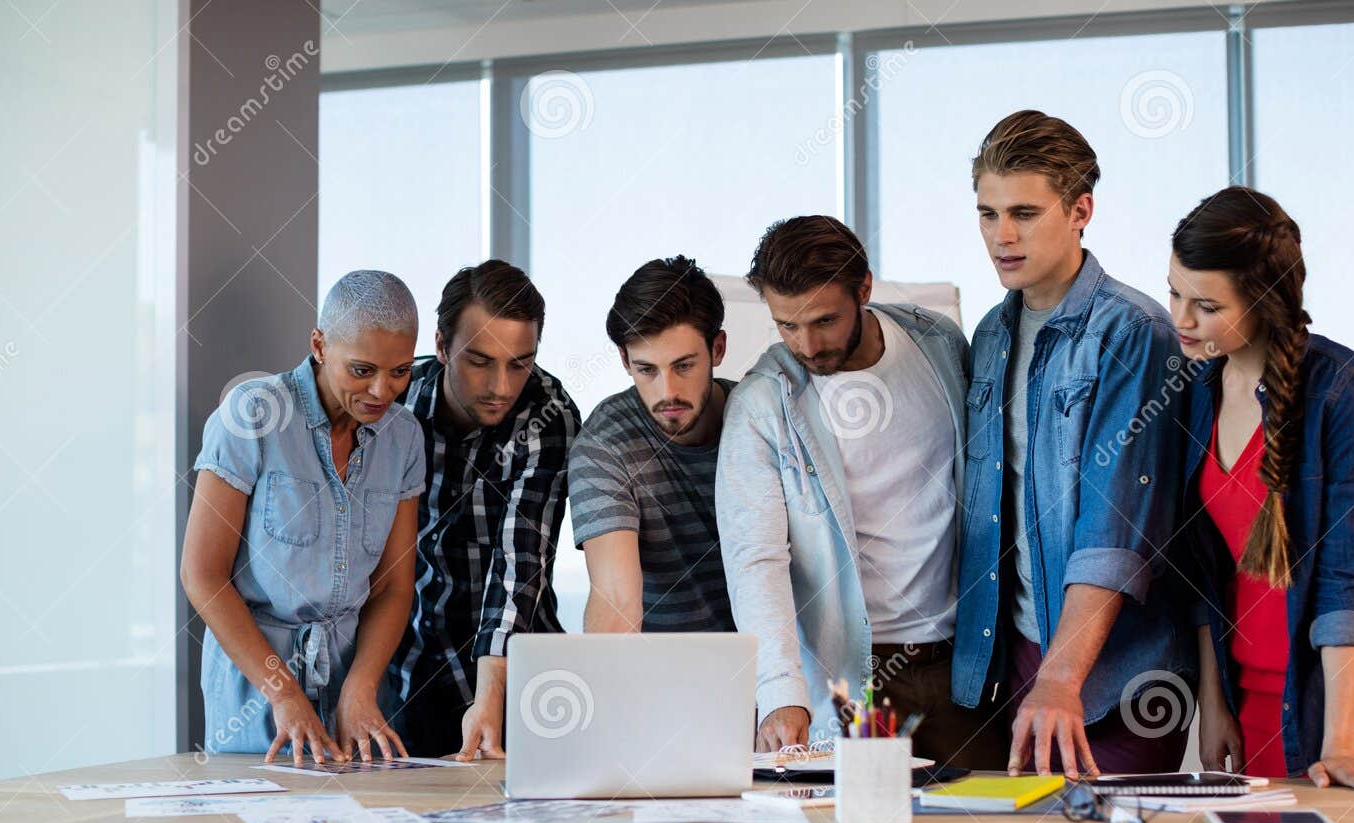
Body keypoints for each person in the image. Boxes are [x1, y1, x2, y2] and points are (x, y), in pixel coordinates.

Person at [951, 109, 1194, 778]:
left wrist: (1062, 677)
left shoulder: (1132, 333)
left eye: (1024, 213)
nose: (1002, 235)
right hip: (1020, 659)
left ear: (1080, 208)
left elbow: (1113, 529)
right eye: (987, 213)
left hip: (1115, 675)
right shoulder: (993, 336)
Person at [1169, 186, 1354, 790]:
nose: (1181, 319)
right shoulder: (1195, 393)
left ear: (1261, 302)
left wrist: (1339, 745)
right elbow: (1205, 573)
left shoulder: (1345, 392)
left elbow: (1346, 575)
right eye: (1175, 292)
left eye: (1204, 305)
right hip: (1252, 696)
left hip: (1346, 704)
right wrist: (1214, 704)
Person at [717, 215, 1000, 767]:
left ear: (864, 288)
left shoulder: (937, 343)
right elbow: (756, 558)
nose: (807, 344)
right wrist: (779, 693)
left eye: (824, 320)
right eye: (787, 326)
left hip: (964, 665)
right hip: (853, 680)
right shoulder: (761, 405)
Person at [182, 270, 424, 765]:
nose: (382, 391)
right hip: (254, 695)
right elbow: (202, 575)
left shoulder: (404, 438)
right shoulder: (252, 414)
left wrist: (361, 686)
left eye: (399, 372)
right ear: (319, 344)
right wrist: (284, 693)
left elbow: (394, 587)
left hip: (353, 688)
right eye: (362, 370)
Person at [387, 260, 580, 760]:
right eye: (480, 361)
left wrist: (489, 695)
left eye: (520, 363)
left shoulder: (549, 415)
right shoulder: (396, 405)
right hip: (403, 666)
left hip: (515, 673)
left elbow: (520, 563)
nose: (501, 385)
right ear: (442, 345)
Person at [570, 256, 736, 632]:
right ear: (625, 360)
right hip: (656, 673)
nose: (668, 393)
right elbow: (615, 599)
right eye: (647, 370)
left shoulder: (761, 423)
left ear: (718, 349)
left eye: (684, 366)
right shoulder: (605, 443)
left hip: (774, 667)